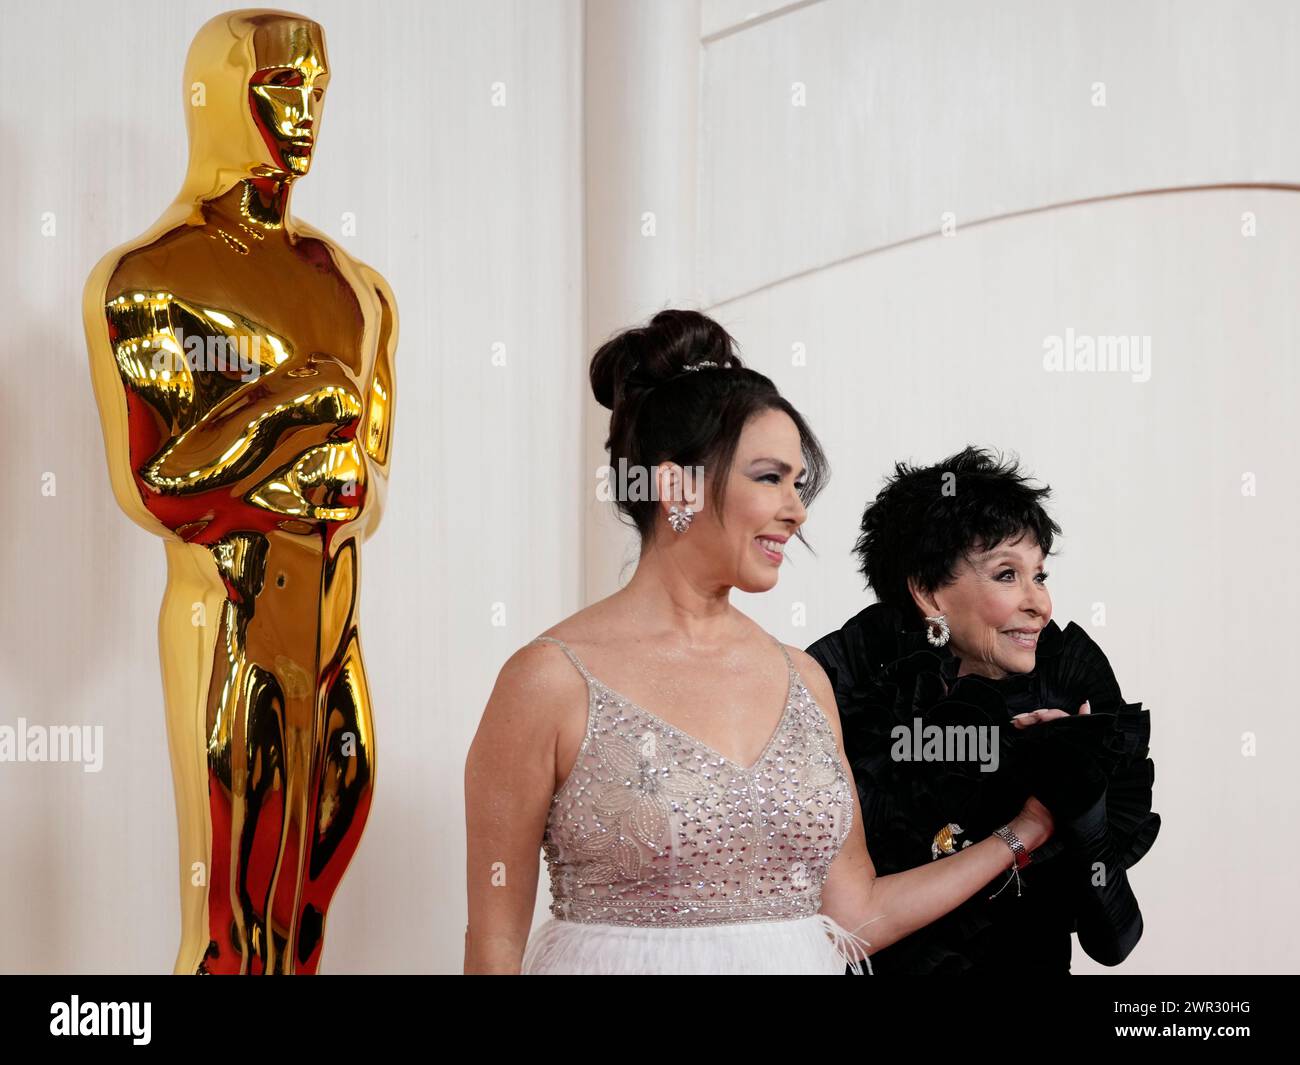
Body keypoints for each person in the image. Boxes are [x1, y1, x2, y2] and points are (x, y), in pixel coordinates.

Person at [464, 312, 1055, 974]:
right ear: (676, 484)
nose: (796, 509)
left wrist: (1023, 830)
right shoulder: (548, 680)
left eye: (799, 483)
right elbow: (492, 943)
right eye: (770, 477)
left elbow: (853, 913)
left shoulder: (804, 680)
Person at [807, 446, 1161, 974]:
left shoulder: (1066, 684)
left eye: (1039, 576)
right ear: (928, 593)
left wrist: (1073, 786)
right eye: (1005, 575)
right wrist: (1021, 831)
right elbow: (846, 930)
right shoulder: (850, 689)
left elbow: (1114, 941)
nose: (1039, 604)